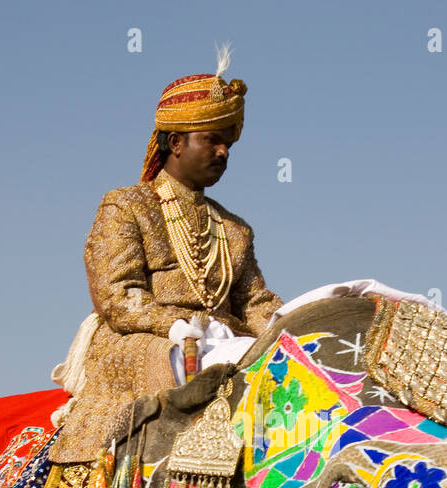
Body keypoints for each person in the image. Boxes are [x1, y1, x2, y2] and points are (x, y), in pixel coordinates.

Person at [49, 56, 283, 462]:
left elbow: (256, 304)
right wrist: (175, 326)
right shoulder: (126, 205)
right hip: (146, 338)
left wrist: (299, 323)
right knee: (172, 365)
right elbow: (118, 296)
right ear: (175, 142)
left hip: (224, 342)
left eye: (228, 142)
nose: (224, 151)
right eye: (212, 139)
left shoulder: (235, 229)